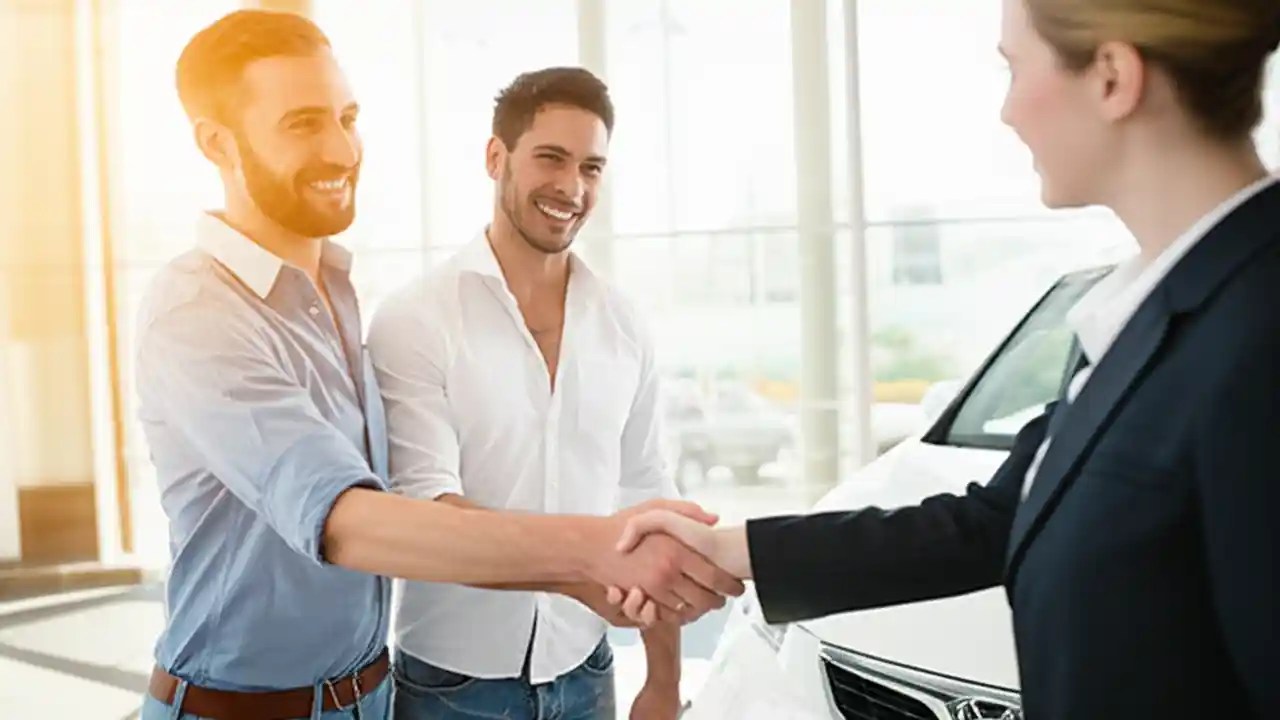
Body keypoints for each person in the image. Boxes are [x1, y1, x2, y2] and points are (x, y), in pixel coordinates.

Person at [616, 0, 1280, 717]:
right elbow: (991, 521)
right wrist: (727, 550)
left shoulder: (1258, 333)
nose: (1008, 111)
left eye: (1014, 68)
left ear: (1113, 78)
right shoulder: (1145, 314)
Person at [136, 11, 741, 720]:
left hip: (370, 695)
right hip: (242, 708)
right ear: (216, 142)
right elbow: (346, 522)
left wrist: (658, 670)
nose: (341, 148)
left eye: (348, 116)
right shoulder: (198, 311)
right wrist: (591, 556)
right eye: (302, 124)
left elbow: (645, 483)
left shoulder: (333, 295)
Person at [367, 66, 688, 720]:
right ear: (496, 157)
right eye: (551, 158)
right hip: (452, 690)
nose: (571, 187)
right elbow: (429, 513)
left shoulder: (623, 322)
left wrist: (661, 680)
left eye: (591, 167)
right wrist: (583, 572)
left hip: (588, 672)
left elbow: (650, 495)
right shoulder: (417, 317)